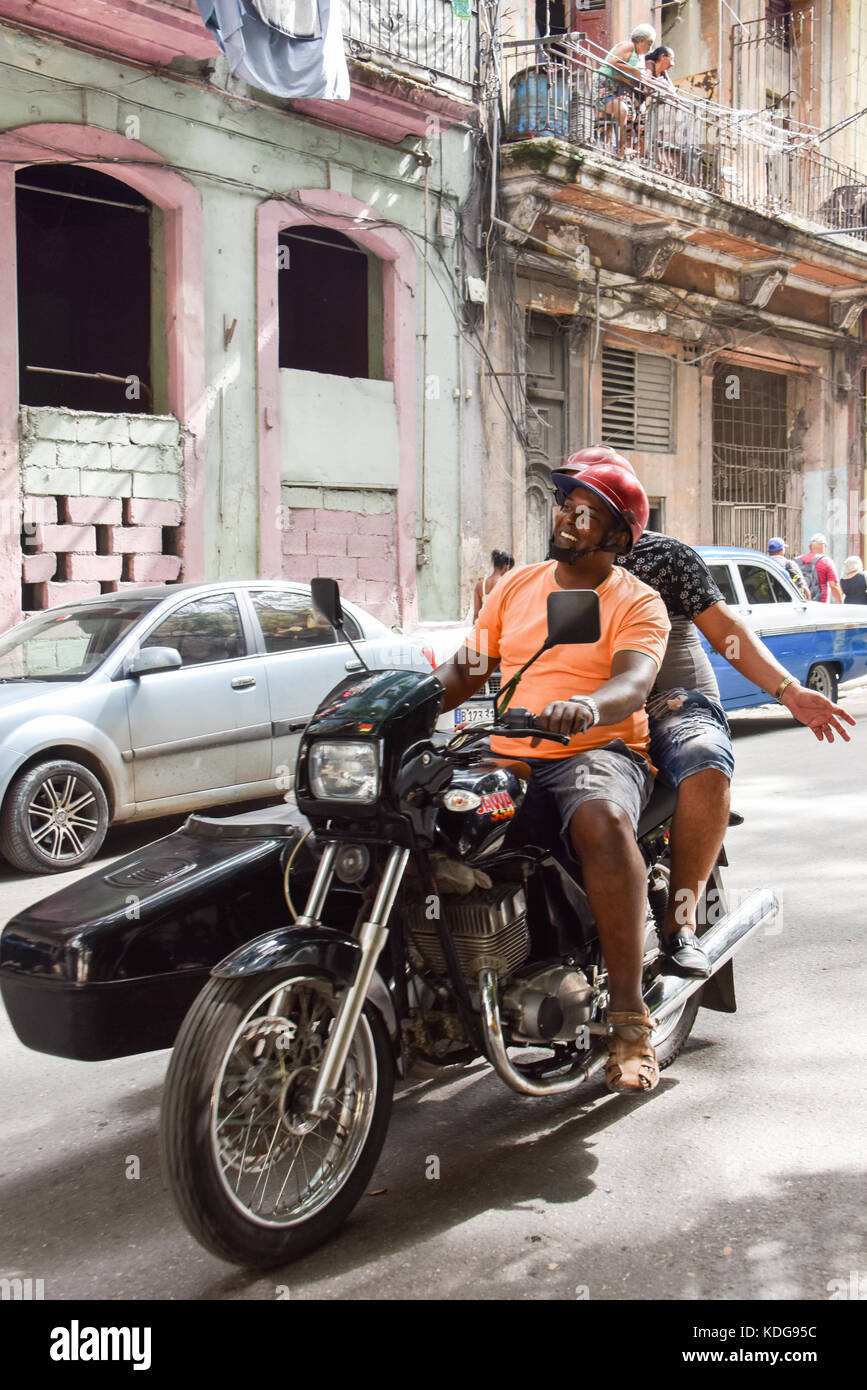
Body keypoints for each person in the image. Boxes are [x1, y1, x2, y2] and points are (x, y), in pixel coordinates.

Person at [557, 448, 854, 982]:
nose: (573, 513)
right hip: (597, 708)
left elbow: (725, 633)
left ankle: (681, 924)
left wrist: (788, 691)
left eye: (590, 500)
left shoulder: (665, 557)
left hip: (673, 700)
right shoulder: (559, 563)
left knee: (704, 760)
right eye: (569, 501)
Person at [435, 462, 671, 1094]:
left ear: (618, 537)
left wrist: (589, 705)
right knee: (425, 815)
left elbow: (634, 680)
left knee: (602, 820)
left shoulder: (636, 600)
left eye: (585, 511)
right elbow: (468, 669)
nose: (567, 516)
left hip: (597, 749)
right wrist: (404, 703)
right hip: (509, 753)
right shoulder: (515, 587)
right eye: (566, 504)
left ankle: (629, 1020)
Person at [594, 23, 656, 156]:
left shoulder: (637, 56)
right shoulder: (628, 46)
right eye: (649, 44)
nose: (649, 48)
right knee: (622, 111)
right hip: (604, 85)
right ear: (642, 40)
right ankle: (621, 149)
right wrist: (633, 70)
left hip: (615, 88)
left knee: (616, 118)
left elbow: (623, 75)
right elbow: (611, 62)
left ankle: (608, 152)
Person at [797, 533, 843, 603]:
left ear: (810, 547)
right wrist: (840, 603)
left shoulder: (798, 561)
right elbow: (833, 586)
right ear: (823, 546)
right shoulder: (826, 561)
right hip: (820, 605)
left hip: (800, 604)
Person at [473, 551, 514, 621]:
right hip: (500, 625)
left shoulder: (479, 585)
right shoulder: (506, 583)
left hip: (485, 625)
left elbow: (476, 616)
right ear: (507, 567)